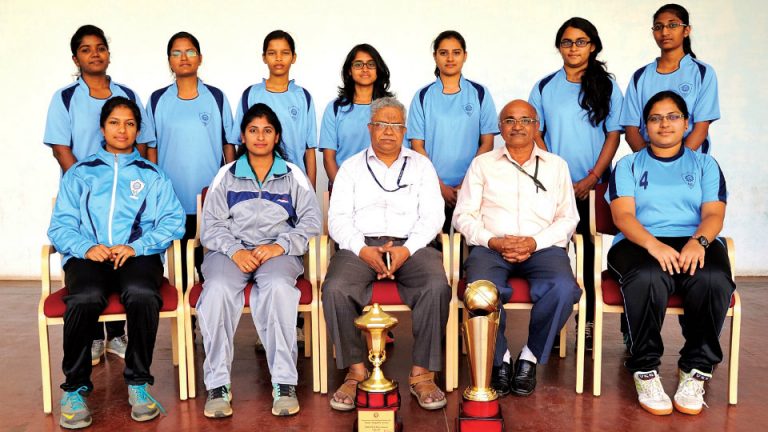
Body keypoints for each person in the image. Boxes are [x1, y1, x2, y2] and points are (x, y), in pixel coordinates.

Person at [48, 97, 185, 429]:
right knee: (84, 297)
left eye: (129, 123)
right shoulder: (80, 173)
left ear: (138, 129)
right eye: (114, 122)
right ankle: (75, 389)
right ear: (102, 127)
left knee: (141, 293)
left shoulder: (152, 175)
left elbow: (173, 221)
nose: (122, 129)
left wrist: (138, 246)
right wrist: (86, 246)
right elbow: (60, 225)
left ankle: (138, 384)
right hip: (89, 256)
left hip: (136, 256)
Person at [607, 91, 734, 416]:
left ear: (687, 123)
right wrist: (653, 245)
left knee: (712, 277)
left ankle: (696, 369)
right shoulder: (628, 165)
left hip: (694, 239)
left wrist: (699, 243)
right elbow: (623, 216)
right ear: (645, 127)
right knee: (649, 276)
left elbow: (713, 215)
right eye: (655, 118)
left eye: (673, 116)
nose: (664, 124)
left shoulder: (705, 164)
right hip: (638, 243)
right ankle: (645, 368)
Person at [323, 97, 450, 411]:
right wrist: (363, 249)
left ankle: (423, 373)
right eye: (382, 124)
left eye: (395, 125)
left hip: (413, 245)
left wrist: (407, 249)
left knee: (436, 286)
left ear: (405, 130)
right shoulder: (351, 168)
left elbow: (434, 216)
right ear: (370, 128)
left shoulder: (422, 166)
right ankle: (355, 372)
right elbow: (338, 219)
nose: (389, 132)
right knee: (336, 289)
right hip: (360, 246)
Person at [197, 103, 321, 418]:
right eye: (253, 130)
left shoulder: (294, 175)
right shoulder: (226, 174)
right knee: (216, 292)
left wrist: (281, 245)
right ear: (243, 135)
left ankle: (283, 382)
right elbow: (210, 225)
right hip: (230, 253)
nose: (260, 136)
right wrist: (234, 249)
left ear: (277, 135)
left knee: (279, 288)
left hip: (277, 253)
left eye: (267, 130)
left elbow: (311, 221)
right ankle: (218, 385)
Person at [43, 24, 156, 368]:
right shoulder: (65, 98)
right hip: (84, 200)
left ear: (109, 53)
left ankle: (119, 335)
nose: (95, 54)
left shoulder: (127, 94)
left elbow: (144, 145)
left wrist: (148, 181)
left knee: (128, 266)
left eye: (101, 47)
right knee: (90, 272)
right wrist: (91, 184)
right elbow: (61, 148)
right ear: (75, 57)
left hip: (129, 200)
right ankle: (92, 338)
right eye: (86, 49)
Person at [453, 100, 581, 397]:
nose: (518, 126)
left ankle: (529, 357)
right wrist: (492, 240)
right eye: (510, 120)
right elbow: (463, 215)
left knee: (564, 288)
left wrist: (535, 242)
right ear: (500, 128)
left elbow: (568, 218)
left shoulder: (556, 166)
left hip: (543, 247)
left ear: (536, 127)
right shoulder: (482, 164)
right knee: (481, 290)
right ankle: (500, 360)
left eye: (525, 120)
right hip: (492, 246)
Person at [529, 17, 623, 349]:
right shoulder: (544, 87)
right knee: (553, 254)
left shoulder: (607, 86)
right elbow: (534, 132)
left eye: (580, 42)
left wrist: (593, 177)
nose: (573, 48)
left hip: (591, 185)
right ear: (559, 47)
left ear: (593, 46)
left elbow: (614, 135)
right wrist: (557, 174)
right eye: (567, 42)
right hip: (553, 187)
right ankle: (554, 327)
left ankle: (588, 323)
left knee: (588, 256)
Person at [145, 31, 235, 292]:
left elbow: (228, 145)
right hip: (172, 200)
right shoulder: (157, 100)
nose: (183, 57)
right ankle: (188, 329)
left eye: (190, 52)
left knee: (210, 267)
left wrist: (228, 189)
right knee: (181, 272)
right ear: (169, 61)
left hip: (210, 200)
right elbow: (151, 148)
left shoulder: (216, 97)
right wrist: (155, 192)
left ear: (200, 58)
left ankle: (209, 327)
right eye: (176, 53)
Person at [407, 30, 498, 233]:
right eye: (443, 53)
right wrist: (439, 185)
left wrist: (467, 183)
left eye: (456, 52)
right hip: (430, 187)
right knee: (433, 249)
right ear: (434, 56)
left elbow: (487, 143)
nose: (450, 58)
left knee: (469, 248)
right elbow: (416, 146)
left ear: (465, 56)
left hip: (472, 186)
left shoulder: (479, 93)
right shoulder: (422, 96)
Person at [620, 4, 719, 154]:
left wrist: (676, 163)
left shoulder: (702, 73)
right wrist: (650, 163)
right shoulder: (640, 77)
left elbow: (701, 129)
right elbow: (631, 130)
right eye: (658, 27)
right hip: (649, 167)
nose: (665, 32)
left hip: (690, 163)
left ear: (686, 30)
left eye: (672, 25)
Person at [230, 30, 317, 188]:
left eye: (284, 53)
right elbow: (239, 143)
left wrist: (310, 189)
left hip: (295, 182)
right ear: (264, 57)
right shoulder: (251, 94)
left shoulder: (303, 97)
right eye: (272, 53)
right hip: (256, 182)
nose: (278, 58)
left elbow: (309, 150)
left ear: (294, 57)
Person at [320, 43, 394, 189]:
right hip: (344, 187)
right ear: (349, 70)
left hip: (383, 188)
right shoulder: (334, 108)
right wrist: (343, 190)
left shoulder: (390, 108)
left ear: (378, 70)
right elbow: (329, 158)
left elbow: (398, 153)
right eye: (358, 64)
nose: (365, 69)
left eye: (371, 64)